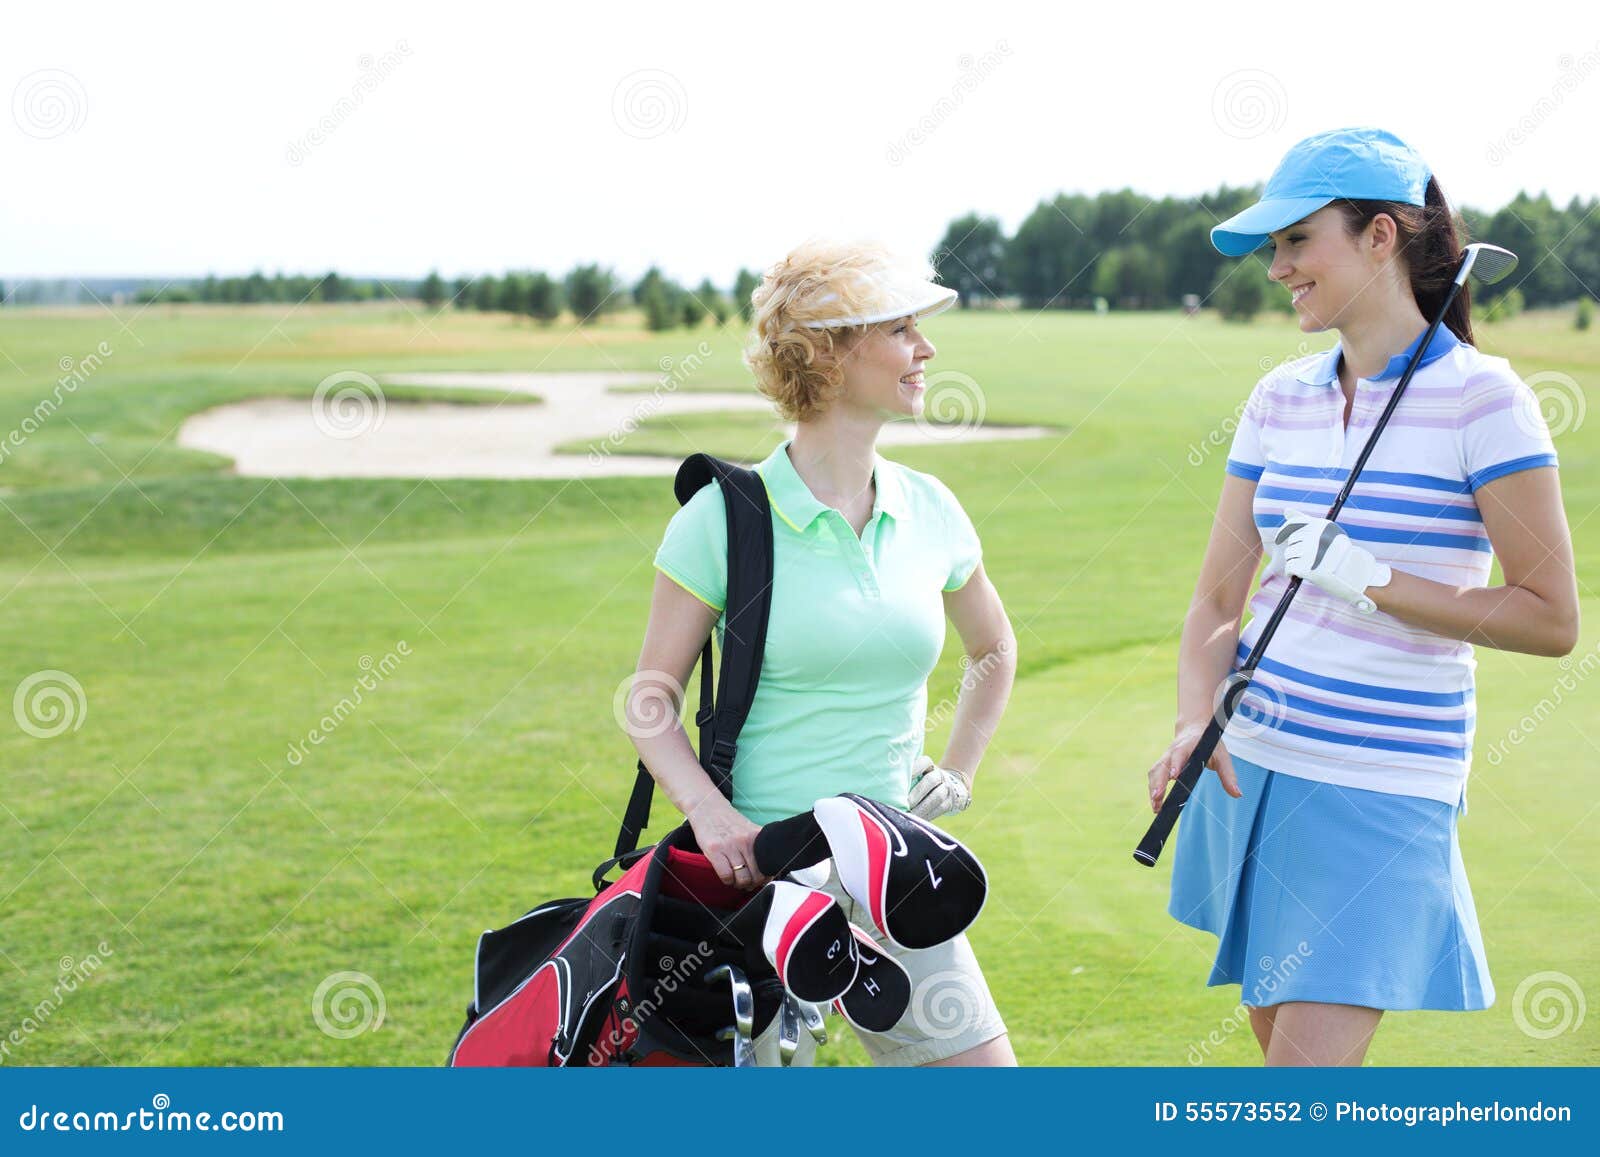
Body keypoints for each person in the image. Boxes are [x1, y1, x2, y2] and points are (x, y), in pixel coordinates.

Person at [1148, 128, 1579, 1066]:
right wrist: (1191, 723)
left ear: (1381, 236)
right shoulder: (1276, 398)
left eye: (1297, 242)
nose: (1277, 269)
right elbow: (1219, 600)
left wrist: (1374, 580)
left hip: (1382, 790)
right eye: (1274, 248)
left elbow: (1551, 617)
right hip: (1249, 766)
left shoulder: (1485, 399)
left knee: (1299, 1091)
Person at [627, 239, 1018, 1066]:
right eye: (902, 329)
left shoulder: (932, 507)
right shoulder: (722, 517)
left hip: (893, 865)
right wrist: (709, 812)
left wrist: (961, 766)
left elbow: (995, 647)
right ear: (831, 354)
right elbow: (649, 698)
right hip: (758, 891)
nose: (928, 348)